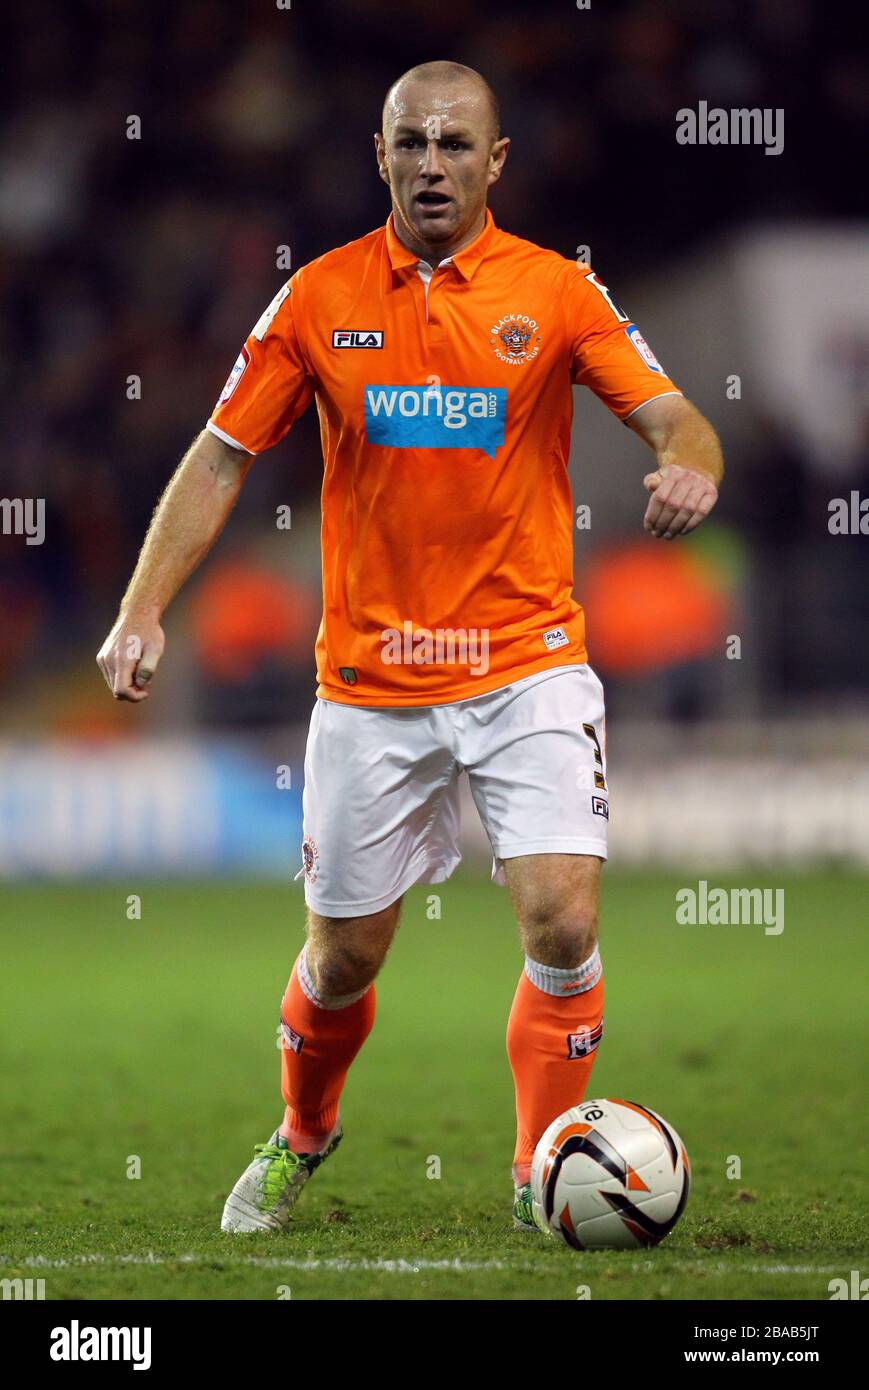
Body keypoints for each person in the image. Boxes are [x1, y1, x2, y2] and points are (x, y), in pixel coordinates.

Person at [96, 60, 722, 1234]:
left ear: (496, 163)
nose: (430, 163)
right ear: (377, 157)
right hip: (372, 689)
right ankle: (302, 1133)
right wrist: (143, 606)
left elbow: (674, 413)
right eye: (408, 144)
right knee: (340, 961)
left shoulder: (560, 292)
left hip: (527, 663)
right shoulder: (316, 300)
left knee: (563, 920)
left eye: (453, 145)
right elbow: (222, 450)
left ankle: (541, 1161)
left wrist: (687, 460)